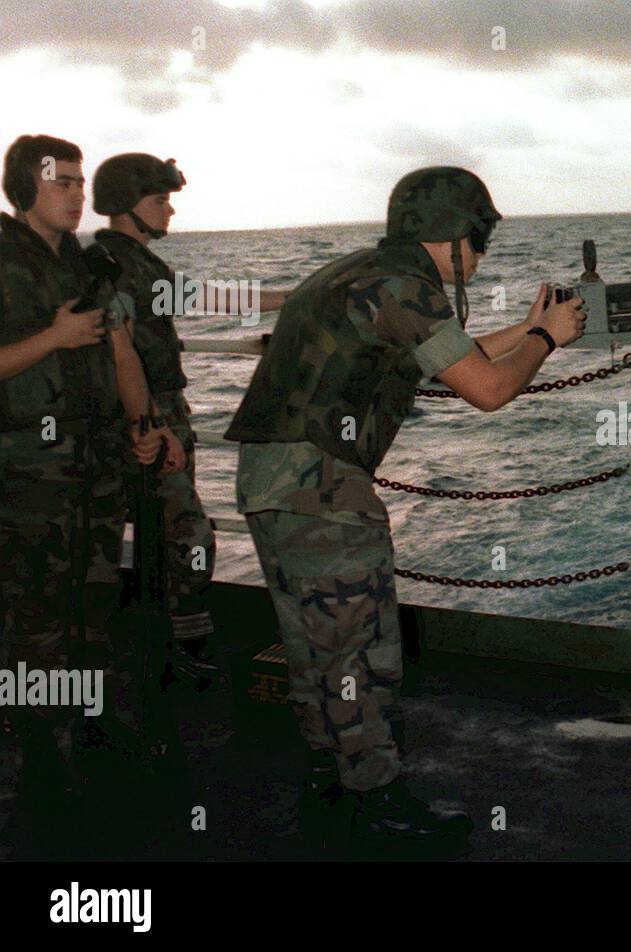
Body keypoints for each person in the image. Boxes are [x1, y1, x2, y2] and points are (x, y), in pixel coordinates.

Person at [224, 166, 586, 851]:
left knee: (315, 648)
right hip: (320, 488)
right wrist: (548, 341)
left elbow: (456, 355)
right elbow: (485, 388)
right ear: (454, 238)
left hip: (271, 478)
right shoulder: (409, 288)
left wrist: (531, 327)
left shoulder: (364, 274)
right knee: (361, 651)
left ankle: (328, 781)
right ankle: (375, 801)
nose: (479, 261)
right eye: (479, 243)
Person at [0, 134, 177, 807]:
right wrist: (53, 337)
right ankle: (42, 759)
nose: (77, 195)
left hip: (94, 461)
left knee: (94, 605)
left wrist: (145, 423)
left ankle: (94, 731)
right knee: (34, 619)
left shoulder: (88, 264)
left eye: (80, 182)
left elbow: (120, 349)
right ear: (25, 187)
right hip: (24, 469)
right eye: (62, 183)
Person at [89, 153, 288, 684]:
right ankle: (179, 651)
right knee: (188, 536)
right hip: (145, 419)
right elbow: (117, 352)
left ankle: (168, 649)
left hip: (155, 414)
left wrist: (289, 299)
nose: (170, 210)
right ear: (125, 207)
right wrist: (149, 422)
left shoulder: (135, 263)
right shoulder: (112, 266)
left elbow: (205, 298)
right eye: (159, 200)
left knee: (163, 535)